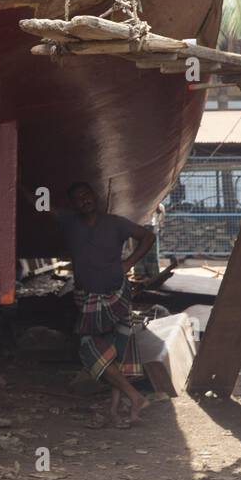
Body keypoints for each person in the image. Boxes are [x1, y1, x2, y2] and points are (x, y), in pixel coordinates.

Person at [51, 181, 155, 428]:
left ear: (95, 197)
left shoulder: (115, 223)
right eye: (78, 198)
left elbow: (148, 237)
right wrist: (19, 182)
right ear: (73, 204)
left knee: (110, 353)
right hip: (88, 299)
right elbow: (42, 207)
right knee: (97, 353)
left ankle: (127, 403)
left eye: (87, 195)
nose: (84, 200)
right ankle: (127, 404)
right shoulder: (69, 222)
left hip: (116, 295)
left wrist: (128, 263)